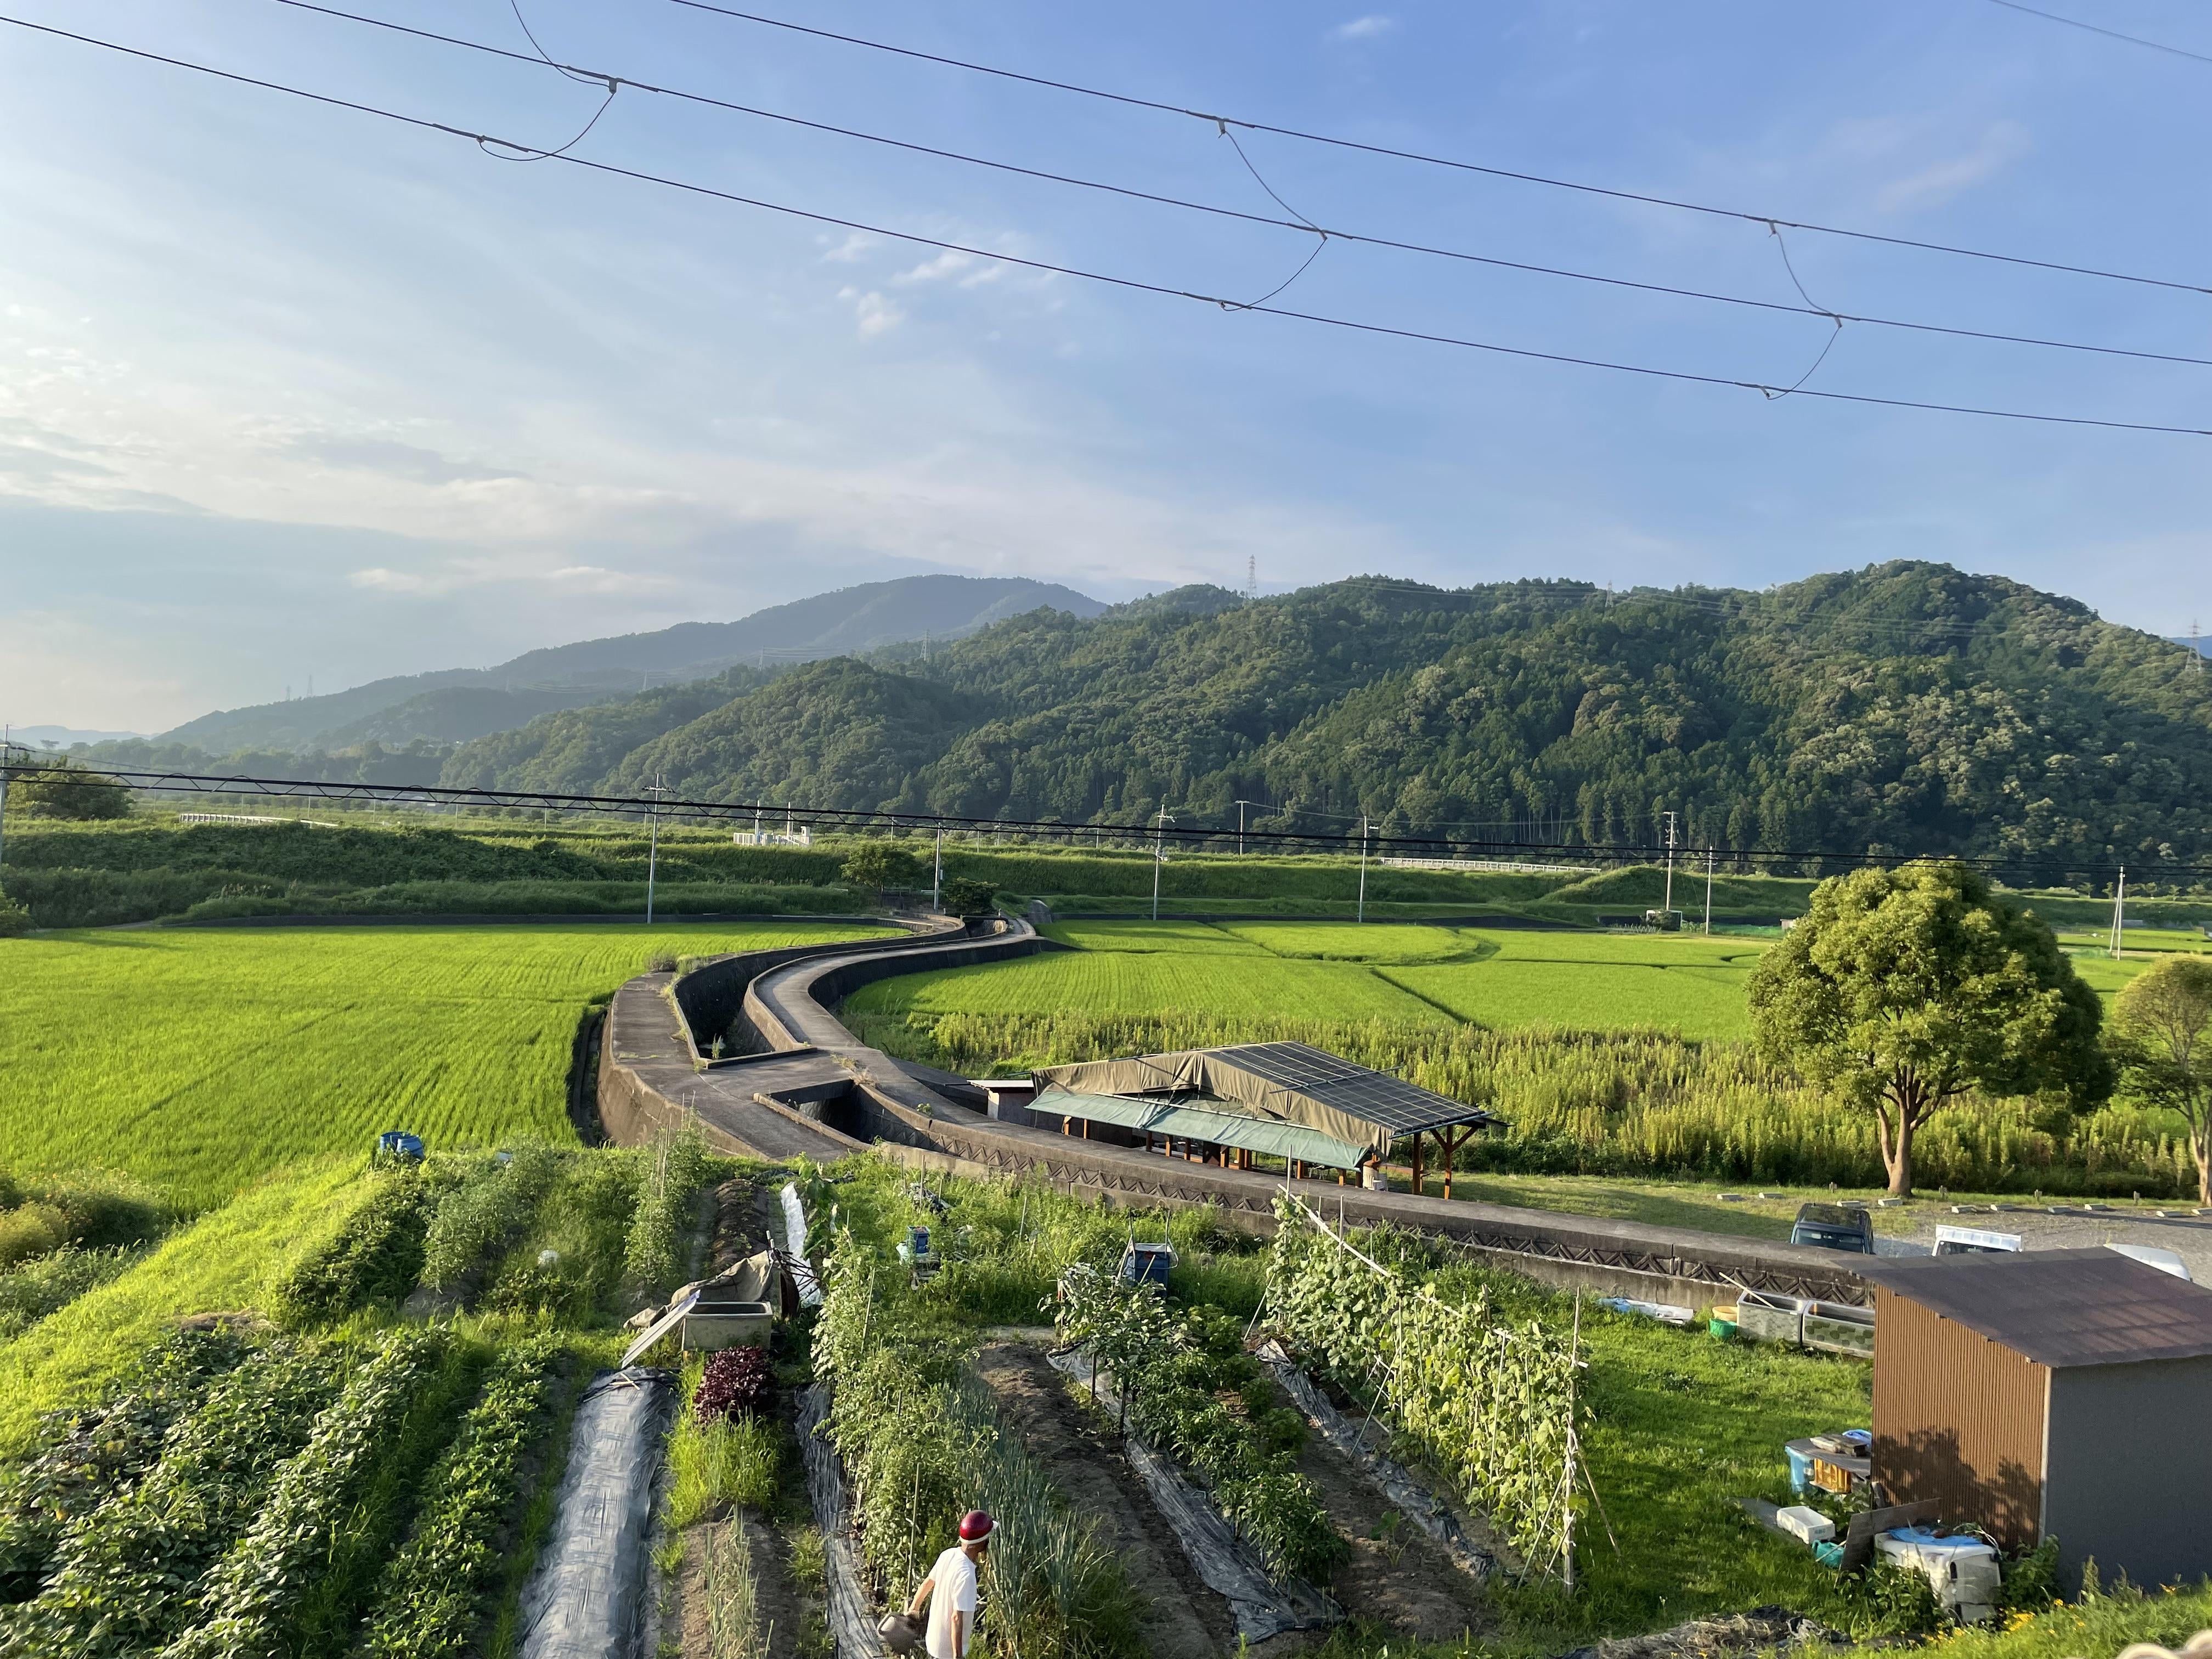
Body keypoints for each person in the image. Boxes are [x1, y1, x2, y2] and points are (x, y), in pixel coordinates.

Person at [908, 1509, 993, 1659]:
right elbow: (956, 1618)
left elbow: (928, 1583)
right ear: (980, 1544)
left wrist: (914, 1608)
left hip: (933, 1642)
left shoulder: (948, 1554)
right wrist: (957, 1656)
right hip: (947, 1652)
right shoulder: (967, 1575)